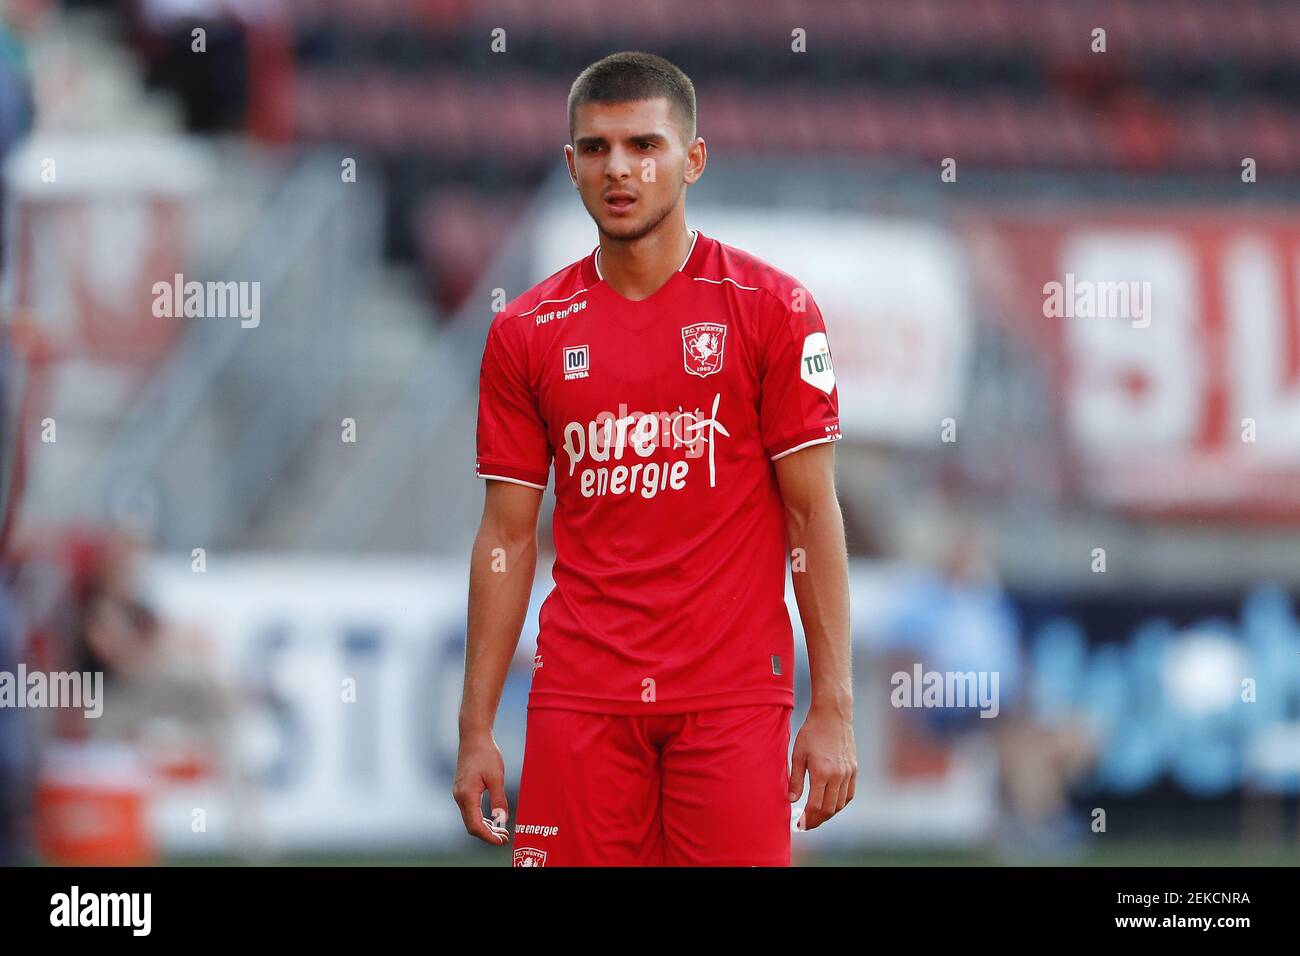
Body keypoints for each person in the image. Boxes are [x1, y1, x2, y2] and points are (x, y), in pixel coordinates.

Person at [453, 52, 855, 866]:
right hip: (580, 700)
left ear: (692, 159)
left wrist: (836, 708)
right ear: (570, 165)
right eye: (596, 149)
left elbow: (813, 512)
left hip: (733, 697)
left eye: (645, 145)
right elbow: (506, 538)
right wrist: (475, 728)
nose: (620, 169)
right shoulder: (526, 331)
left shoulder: (772, 310)